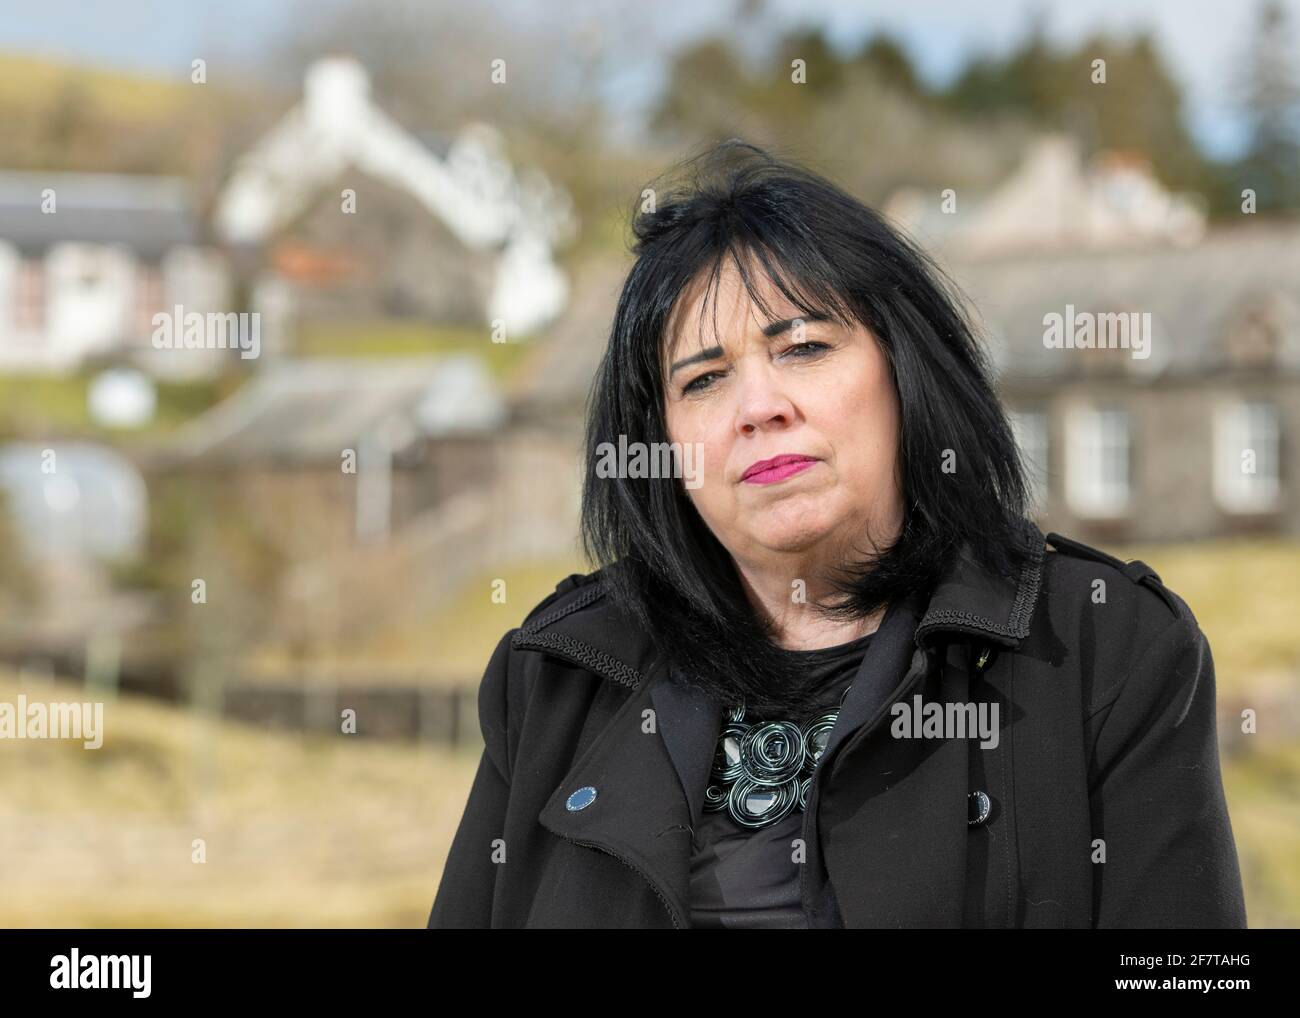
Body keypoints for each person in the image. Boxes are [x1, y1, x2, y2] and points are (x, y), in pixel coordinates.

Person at [427, 140, 1247, 929]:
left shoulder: (1105, 646)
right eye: (704, 379)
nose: (759, 408)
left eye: (806, 347)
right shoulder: (556, 679)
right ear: (663, 443)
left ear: (905, 371)